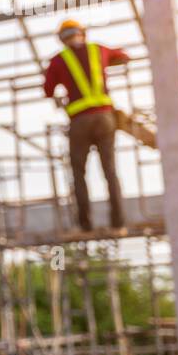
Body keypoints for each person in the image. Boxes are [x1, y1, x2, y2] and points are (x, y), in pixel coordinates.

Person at [43, 18, 129, 232]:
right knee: (110, 170)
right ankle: (118, 224)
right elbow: (124, 56)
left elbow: (47, 90)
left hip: (80, 121)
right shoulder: (98, 49)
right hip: (105, 118)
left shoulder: (58, 61)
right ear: (82, 33)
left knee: (79, 173)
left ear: (62, 39)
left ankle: (85, 225)